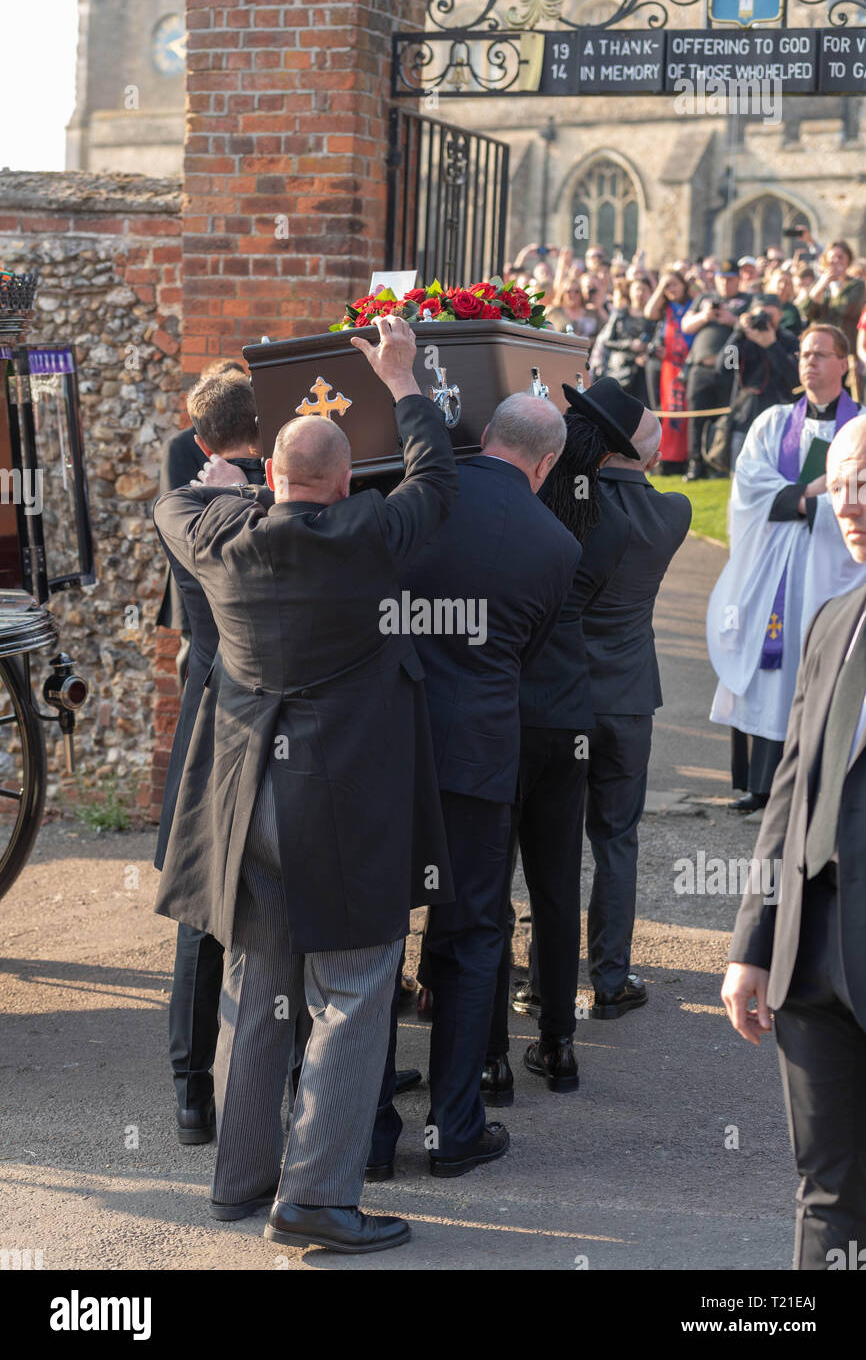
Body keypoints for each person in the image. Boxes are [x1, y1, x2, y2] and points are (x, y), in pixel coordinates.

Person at [153, 314, 458, 1254]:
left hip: (247, 801)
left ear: (274, 478)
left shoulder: (219, 536)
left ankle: (240, 1178)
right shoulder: (370, 535)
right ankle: (317, 1198)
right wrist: (401, 381)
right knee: (356, 987)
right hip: (340, 799)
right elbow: (436, 481)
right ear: (340, 484)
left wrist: (229, 487)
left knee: (257, 985)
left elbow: (174, 504)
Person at [369, 393, 580, 1180]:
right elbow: (524, 654)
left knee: (374, 941)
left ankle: (369, 1131)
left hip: (390, 744)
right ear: (548, 462)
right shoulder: (556, 544)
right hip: (479, 753)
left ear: (482, 435)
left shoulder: (418, 501)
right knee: (469, 938)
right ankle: (455, 1127)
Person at [722, 415, 866, 1269]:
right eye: (842, 483)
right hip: (811, 959)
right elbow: (789, 790)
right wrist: (751, 944)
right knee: (826, 1193)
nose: (849, 502)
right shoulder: (833, 616)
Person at [485, 380, 635, 1098]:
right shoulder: (606, 524)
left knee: (488, 890)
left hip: (508, 711)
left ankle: (488, 1053)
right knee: (555, 886)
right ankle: (559, 1043)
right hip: (568, 714)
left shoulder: (516, 511)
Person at [156, 373, 266, 1147]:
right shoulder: (278, 497)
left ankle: (194, 1092)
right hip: (251, 705)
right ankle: (269, 1079)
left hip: (212, 697)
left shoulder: (185, 498)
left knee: (202, 906)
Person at [707, 325, 866, 814]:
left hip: (839, 569)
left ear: (845, 364)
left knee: (828, 668)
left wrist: (820, 493)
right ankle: (762, 785)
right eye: (803, 354)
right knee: (771, 670)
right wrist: (813, 489)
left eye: (821, 355)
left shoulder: (859, 427)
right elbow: (750, 487)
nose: (809, 363)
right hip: (778, 567)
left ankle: (823, 783)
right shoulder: (775, 422)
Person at [578, 389, 692, 1016]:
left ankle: (542, 981)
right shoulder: (671, 514)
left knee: (554, 843)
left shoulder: (575, 506)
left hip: (567, 696)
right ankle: (610, 978)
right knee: (616, 839)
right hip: (627, 698)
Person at [156, 357, 248, 678]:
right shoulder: (180, 446)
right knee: (194, 656)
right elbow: (179, 514)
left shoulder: (253, 442)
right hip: (194, 562)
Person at [680, 260, 749, 481]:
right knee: (696, 418)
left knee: (724, 417)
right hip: (701, 367)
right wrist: (705, 316)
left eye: (730, 279)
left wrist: (732, 320)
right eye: (722, 278)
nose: (725, 283)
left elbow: (751, 328)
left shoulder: (747, 301)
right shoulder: (704, 299)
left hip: (730, 368)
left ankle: (720, 463)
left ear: (738, 279)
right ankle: (696, 465)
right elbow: (686, 325)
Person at [715, 295, 800, 472]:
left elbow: (794, 377)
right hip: (744, 415)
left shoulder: (788, 340)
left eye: (770, 315)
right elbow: (723, 368)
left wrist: (771, 345)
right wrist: (737, 333)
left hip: (780, 418)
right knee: (740, 474)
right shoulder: (742, 340)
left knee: (779, 475)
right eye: (760, 315)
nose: (765, 320)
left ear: (780, 316)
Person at [645, 269, 693, 473]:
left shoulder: (694, 303)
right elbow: (649, 312)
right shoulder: (665, 308)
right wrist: (660, 287)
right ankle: (668, 458)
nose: (671, 289)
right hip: (669, 365)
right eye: (667, 286)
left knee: (688, 411)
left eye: (674, 284)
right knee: (670, 410)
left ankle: (687, 458)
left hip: (689, 361)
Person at [799, 239, 866, 358]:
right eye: (832, 257)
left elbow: (846, 308)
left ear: (848, 260)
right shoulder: (819, 285)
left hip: (846, 349)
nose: (836, 261)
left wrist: (835, 286)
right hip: (819, 347)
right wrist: (822, 285)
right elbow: (807, 311)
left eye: (840, 257)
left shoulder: (857, 285)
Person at [593, 276, 655, 403]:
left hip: (643, 371)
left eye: (644, 290)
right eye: (637, 289)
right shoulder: (619, 314)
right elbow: (606, 341)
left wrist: (646, 352)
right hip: (620, 369)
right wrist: (630, 345)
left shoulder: (653, 317)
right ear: (630, 291)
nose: (640, 293)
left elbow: (657, 340)